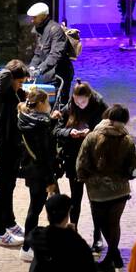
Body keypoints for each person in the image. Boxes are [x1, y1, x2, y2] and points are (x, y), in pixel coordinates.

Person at [76, 103, 136, 272]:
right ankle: (115, 256)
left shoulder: (92, 137)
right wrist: (127, 177)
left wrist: (85, 179)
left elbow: (81, 164)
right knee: (114, 224)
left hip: (97, 192)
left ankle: (111, 258)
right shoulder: (127, 140)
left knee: (103, 223)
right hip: (120, 191)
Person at [53, 79, 108, 252]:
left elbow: (108, 129)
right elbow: (56, 129)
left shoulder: (100, 107)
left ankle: (97, 236)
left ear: (89, 97)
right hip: (74, 160)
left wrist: (91, 133)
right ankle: (73, 232)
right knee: (75, 199)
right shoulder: (69, 107)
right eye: (76, 101)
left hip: (94, 160)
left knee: (95, 201)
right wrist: (70, 132)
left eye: (82, 101)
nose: (79, 104)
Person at [0, 58, 29, 247]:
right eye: (19, 81)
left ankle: (9, 222)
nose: (20, 85)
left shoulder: (10, 91)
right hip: (5, 143)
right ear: (11, 78)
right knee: (2, 187)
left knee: (9, 185)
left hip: (11, 143)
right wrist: (7, 76)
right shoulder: (2, 89)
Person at [17, 86, 59, 260]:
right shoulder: (41, 125)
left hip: (31, 171)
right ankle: (28, 247)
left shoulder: (25, 118)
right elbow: (44, 154)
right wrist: (50, 180)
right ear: (40, 103)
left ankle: (32, 245)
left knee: (36, 208)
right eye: (46, 102)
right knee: (36, 209)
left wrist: (51, 120)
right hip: (41, 173)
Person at [27, 0, 74, 107]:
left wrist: (40, 69)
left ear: (43, 16)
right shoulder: (40, 30)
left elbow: (56, 54)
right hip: (49, 75)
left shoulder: (55, 30)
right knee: (47, 105)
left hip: (60, 75)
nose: (32, 20)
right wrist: (31, 68)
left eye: (34, 17)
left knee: (59, 106)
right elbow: (38, 53)